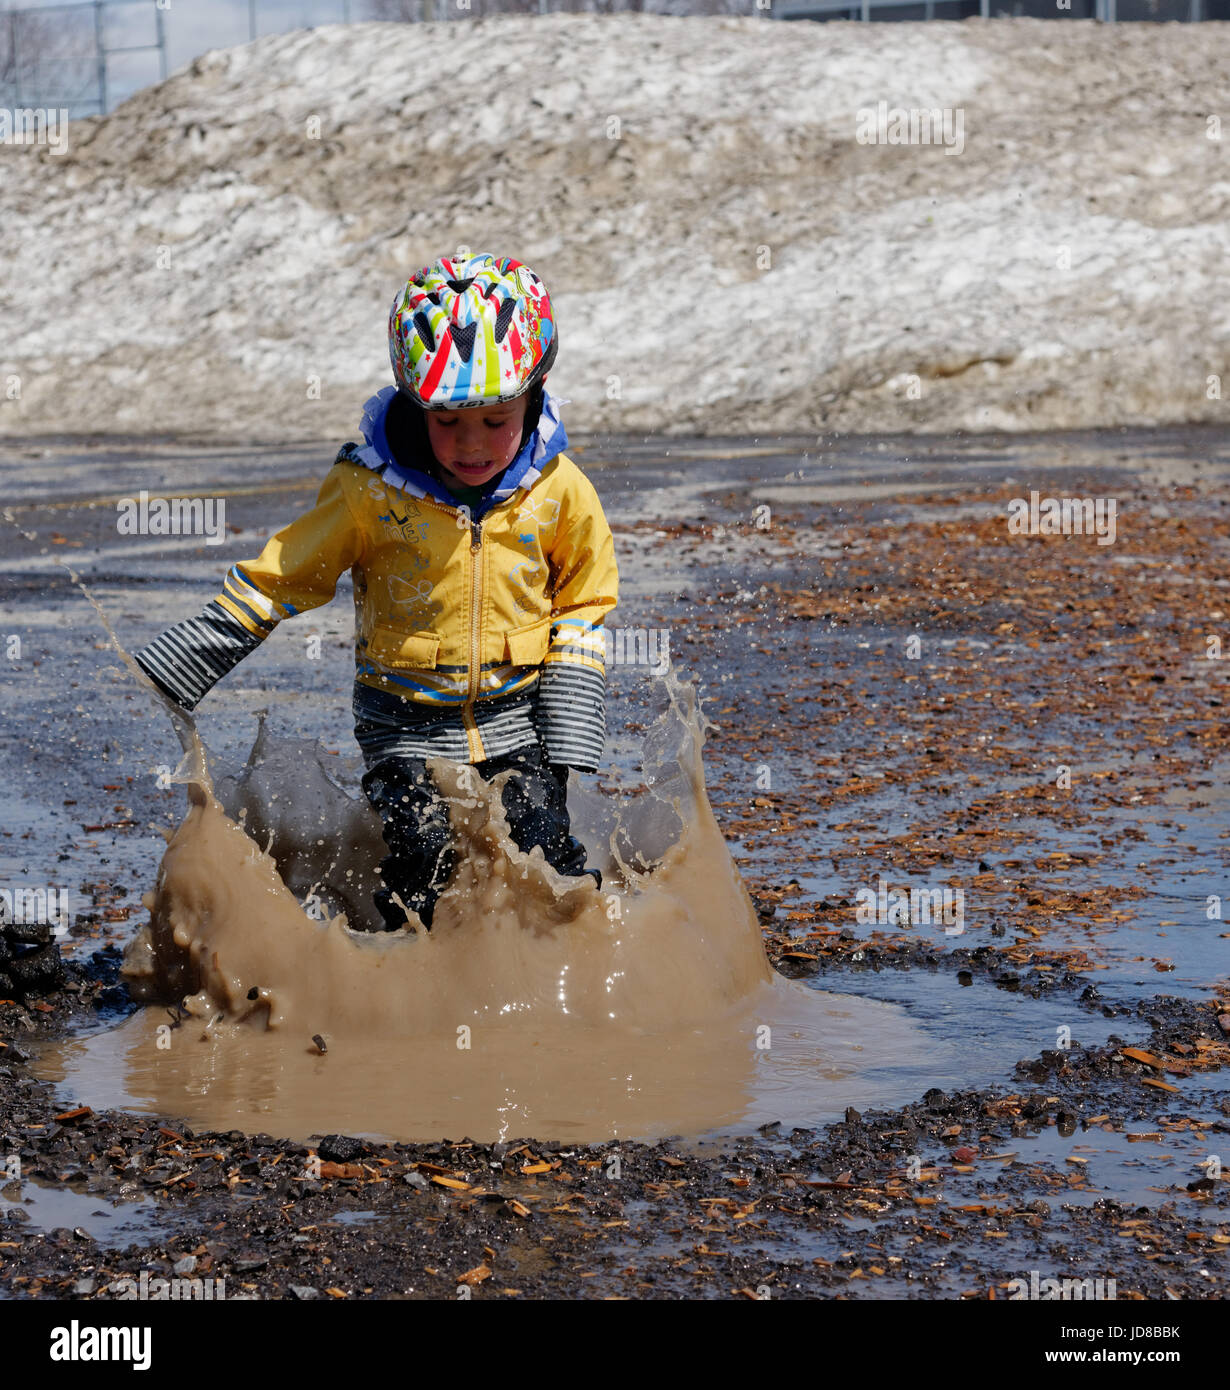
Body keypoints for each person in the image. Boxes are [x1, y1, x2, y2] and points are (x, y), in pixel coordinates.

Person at [133, 252, 618, 931]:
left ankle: (574, 966)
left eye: (492, 419)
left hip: (518, 713)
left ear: (534, 393)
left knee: (544, 853)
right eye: (446, 422)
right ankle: (402, 976)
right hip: (403, 720)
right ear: (413, 403)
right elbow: (287, 574)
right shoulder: (368, 490)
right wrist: (199, 651)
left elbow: (585, 600)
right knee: (423, 854)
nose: (469, 444)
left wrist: (570, 721)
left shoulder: (561, 490)